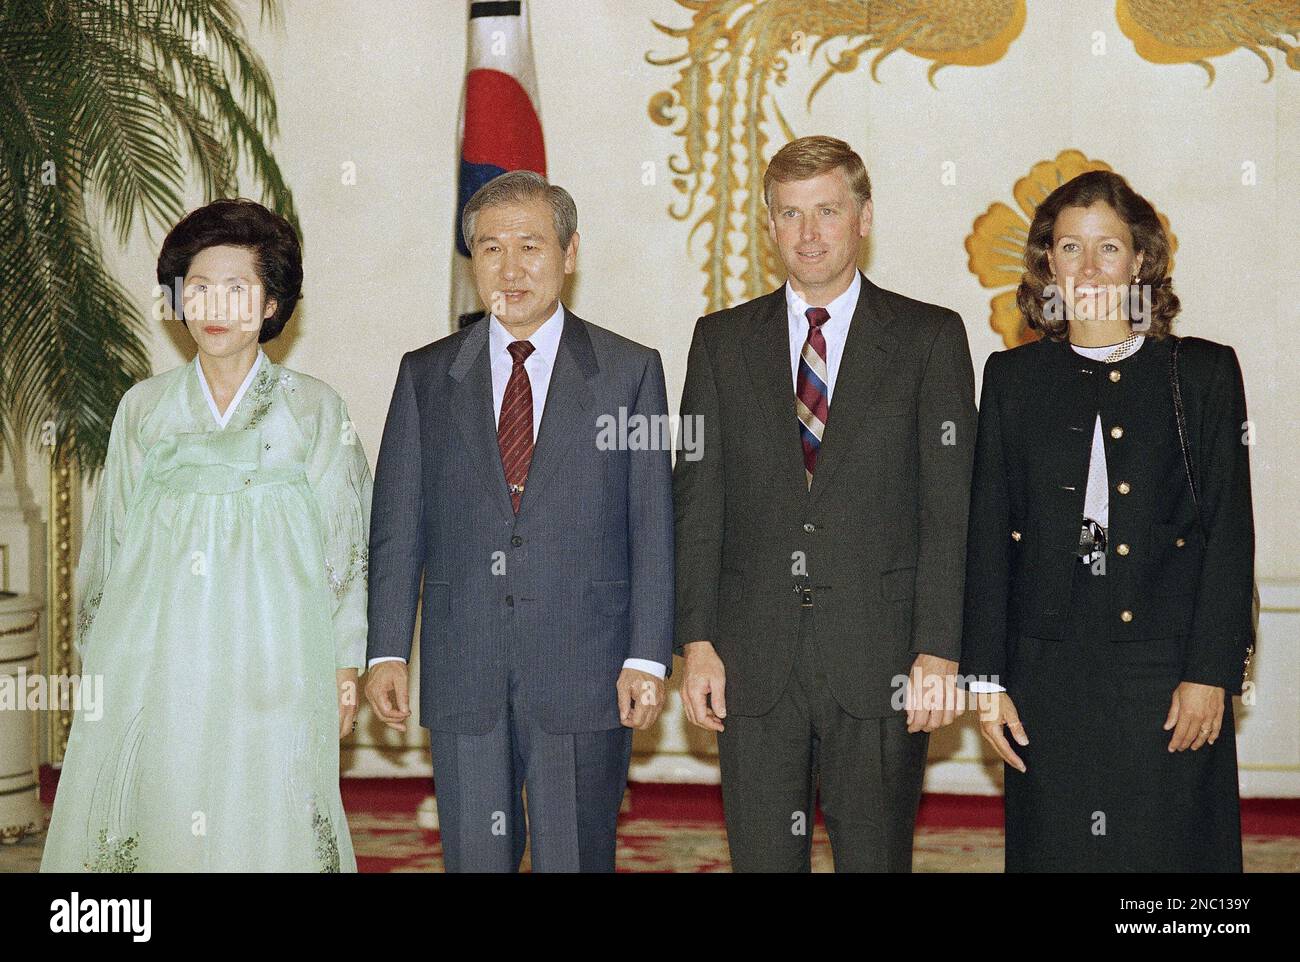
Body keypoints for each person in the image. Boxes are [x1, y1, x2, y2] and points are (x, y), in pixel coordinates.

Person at [41, 199, 372, 872]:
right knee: (165, 807)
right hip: (159, 659)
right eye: (196, 289)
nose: (213, 306)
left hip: (279, 657)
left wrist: (345, 667)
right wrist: (97, 662)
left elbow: (348, 551)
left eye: (236, 289)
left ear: (274, 304)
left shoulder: (314, 411)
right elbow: (109, 548)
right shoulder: (146, 409)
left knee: (268, 811)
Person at [674, 136, 976, 872]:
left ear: (863, 217)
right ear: (770, 225)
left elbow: (950, 510)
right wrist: (698, 643)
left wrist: (939, 650)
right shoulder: (719, 342)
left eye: (828, 211)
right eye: (790, 214)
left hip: (883, 660)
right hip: (753, 662)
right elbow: (697, 503)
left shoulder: (929, 338)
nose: (809, 233)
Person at [364, 170, 673, 873]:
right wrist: (386, 648)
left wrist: (648, 657)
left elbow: (653, 525)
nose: (511, 268)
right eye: (490, 248)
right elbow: (398, 523)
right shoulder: (426, 375)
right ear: (471, 261)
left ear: (569, 254)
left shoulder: (630, 372)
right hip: (464, 666)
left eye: (531, 246)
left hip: (586, 670)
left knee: (574, 857)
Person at [962, 169, 1254, 872]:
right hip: (1047, 673)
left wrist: (1210, 673)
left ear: (1143, 261)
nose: (1089, 267)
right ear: (1046, 265)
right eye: (1070, 248)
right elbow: (988, 537)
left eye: (1109, 248)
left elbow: (1229, 535)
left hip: (1166, 668)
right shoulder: (1012, 378)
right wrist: (986, 682)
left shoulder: (1203, 375)